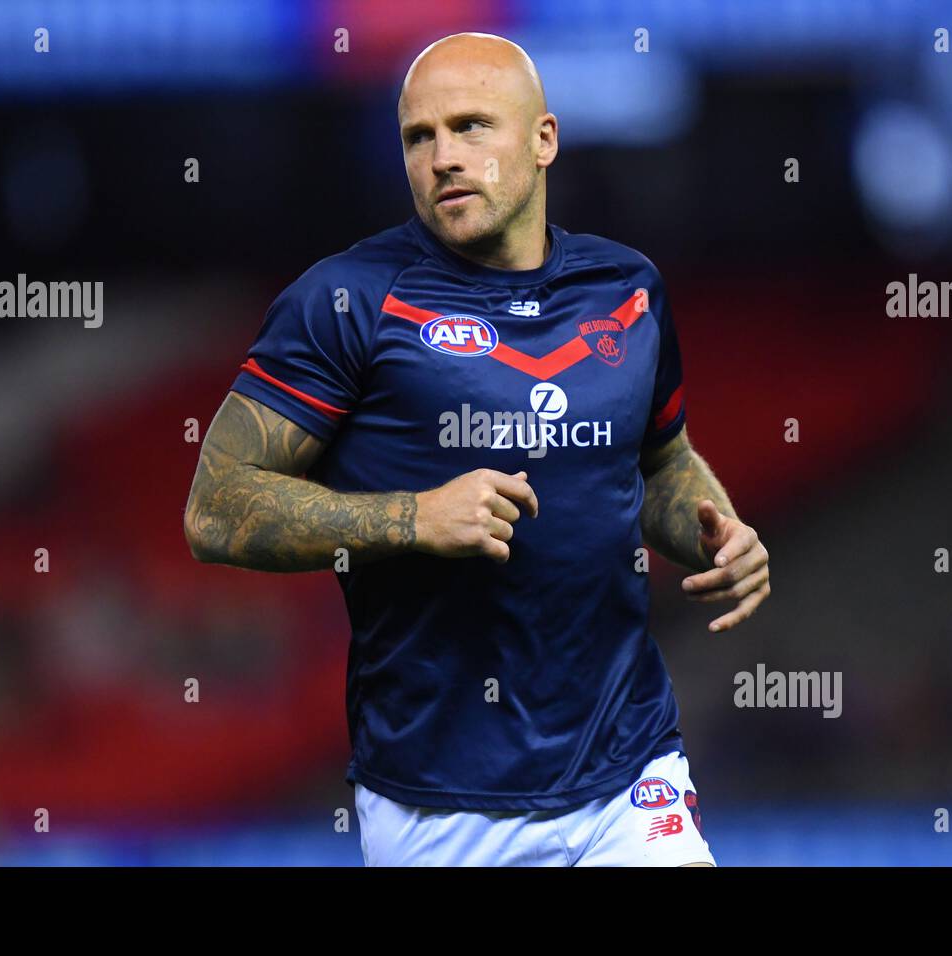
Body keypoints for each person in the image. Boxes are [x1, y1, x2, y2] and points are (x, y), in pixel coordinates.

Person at [183, 32, 770, 866]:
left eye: (471, 127)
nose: (443, 157)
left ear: (544, 140)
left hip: (630, 773)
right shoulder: (346, 300)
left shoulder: (628, 291)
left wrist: (719, 530)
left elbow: (661, 459)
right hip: (440, 807)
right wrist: (412, 518)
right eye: (420, 138)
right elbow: (214, 509)